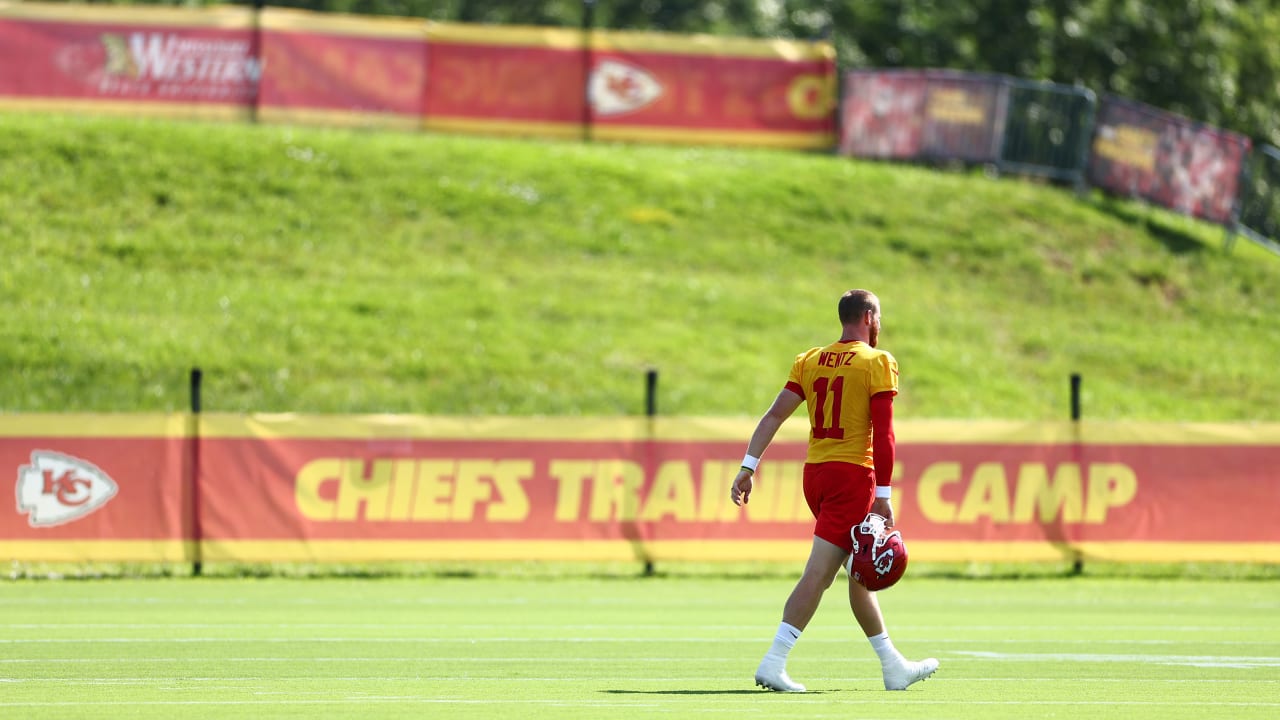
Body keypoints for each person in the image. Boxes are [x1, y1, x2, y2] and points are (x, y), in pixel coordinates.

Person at [730, 289, 938, 692]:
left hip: (816, 475)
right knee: (820, 574)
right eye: (878, 318)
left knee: (856, 574)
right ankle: (774, 661)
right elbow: (884, 433)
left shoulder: (810, 359)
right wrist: (884, 495)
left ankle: (892, 665)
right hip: (850, 477)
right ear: (868, 317)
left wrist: (748, 466)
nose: (880, 326)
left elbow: (774, 414)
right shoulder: (878, 361)